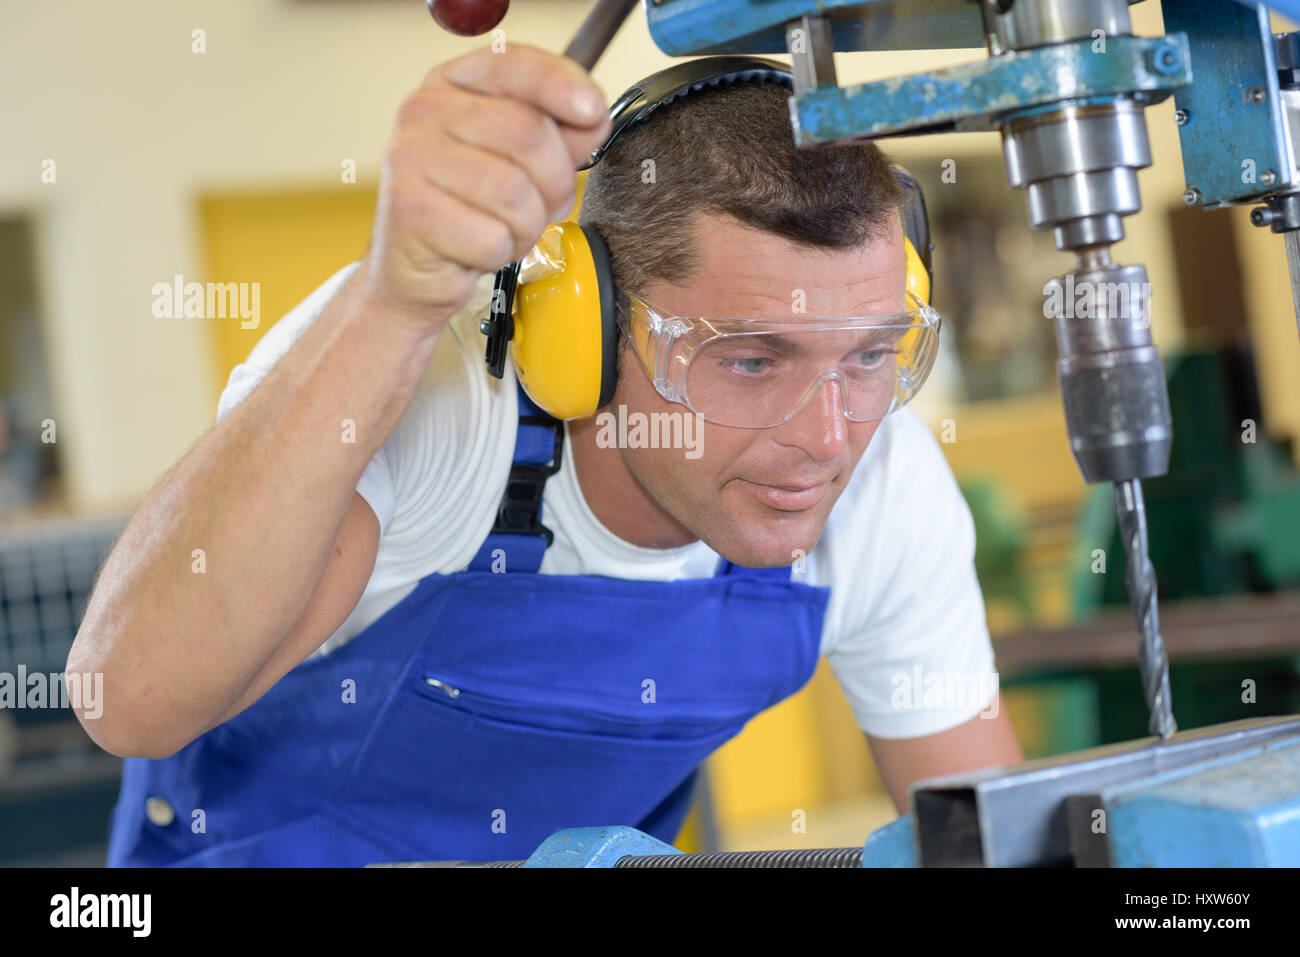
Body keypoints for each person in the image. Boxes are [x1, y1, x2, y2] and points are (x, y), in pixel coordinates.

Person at [70, 43, 1022, 867]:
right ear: (585, 329)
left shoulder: (886, 486)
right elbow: (129, 699)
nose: (828, 438)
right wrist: (386, 308)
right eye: (749, 361)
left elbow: (982, 836)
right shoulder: (432, 394)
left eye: (867, 355)